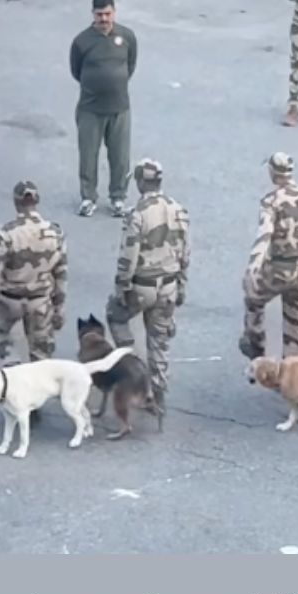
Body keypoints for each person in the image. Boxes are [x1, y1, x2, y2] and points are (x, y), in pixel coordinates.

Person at [104, 158, 190, 419]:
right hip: (168, 285)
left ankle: (131, 364)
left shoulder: (137, 213)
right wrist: (181, 286)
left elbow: (128, 255)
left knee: (116, 315)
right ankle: (159, 394)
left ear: (140, 182)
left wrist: (122, 287)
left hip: (142, 286)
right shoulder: (178, 209)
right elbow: (185, 253)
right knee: (159, 341)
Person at [0, 181, 67, 367]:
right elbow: (61, 274)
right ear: (37, 201)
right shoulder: (56, 233)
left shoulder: (7, 233)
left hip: (9, 301)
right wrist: (59, 308)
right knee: (41, 357)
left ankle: (11, 365)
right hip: (40, 302)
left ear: (16, 202)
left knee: (1, 335)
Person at [240, 152, 298, 361]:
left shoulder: (271, 202)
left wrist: (253, 268)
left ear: (272, 172)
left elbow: (264, 235)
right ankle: (295, 367)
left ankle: (256, 342)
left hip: (279, 269)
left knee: (253, 297)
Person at [69, 0, 138, 217]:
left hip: (119, 108)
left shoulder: (126, 36)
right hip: (90, 109)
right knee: (88, 156)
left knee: (120, 157)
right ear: (93, 14)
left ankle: (118, 198)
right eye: (99, 14)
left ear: (114, 13)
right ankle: (88, 198)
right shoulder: (82, 41)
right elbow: (76, 71)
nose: (104, 19)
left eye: (108, 14)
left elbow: (130, 64)